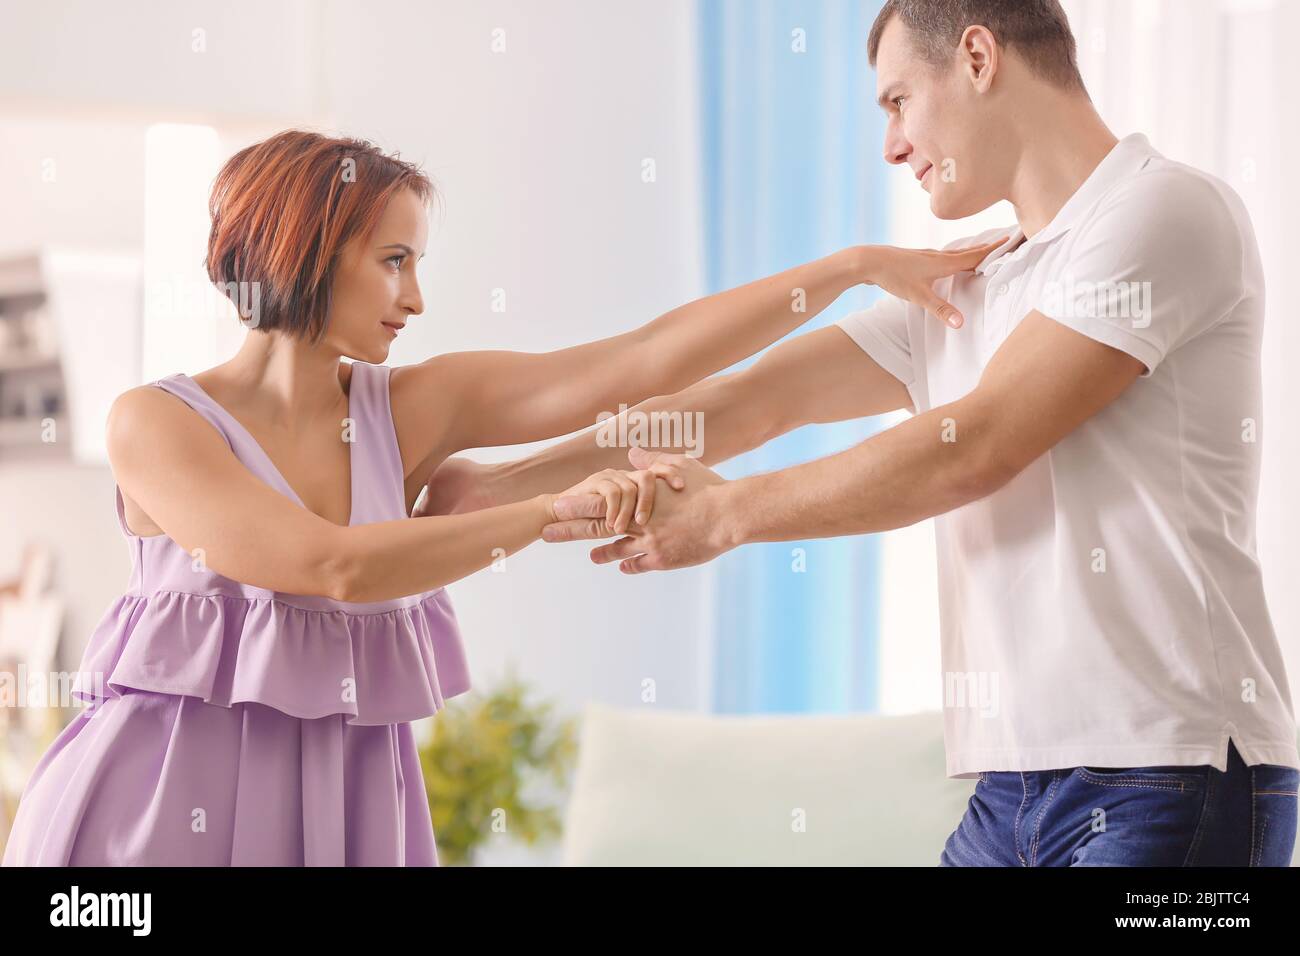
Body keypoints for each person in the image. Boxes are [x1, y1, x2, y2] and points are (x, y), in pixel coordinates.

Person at [422, 0, 1300, 866]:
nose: (891, 147)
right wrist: (506, 486)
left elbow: (981, 440)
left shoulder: (1163, 212)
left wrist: (728, 515)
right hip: (1012, 784)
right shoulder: (972, 283)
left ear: (980, 57)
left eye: (896, 101)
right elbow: (746, 404)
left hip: (1173, 771)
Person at [0, 129, 982, 866]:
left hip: (342, 814)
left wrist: (851, 269)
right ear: (305, 248)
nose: (416, 297)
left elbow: (641, 358)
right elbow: (329, 566)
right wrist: (545, 513)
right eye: (394, 260)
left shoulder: (412, 406)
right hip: (144, 820)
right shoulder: (154, 424)